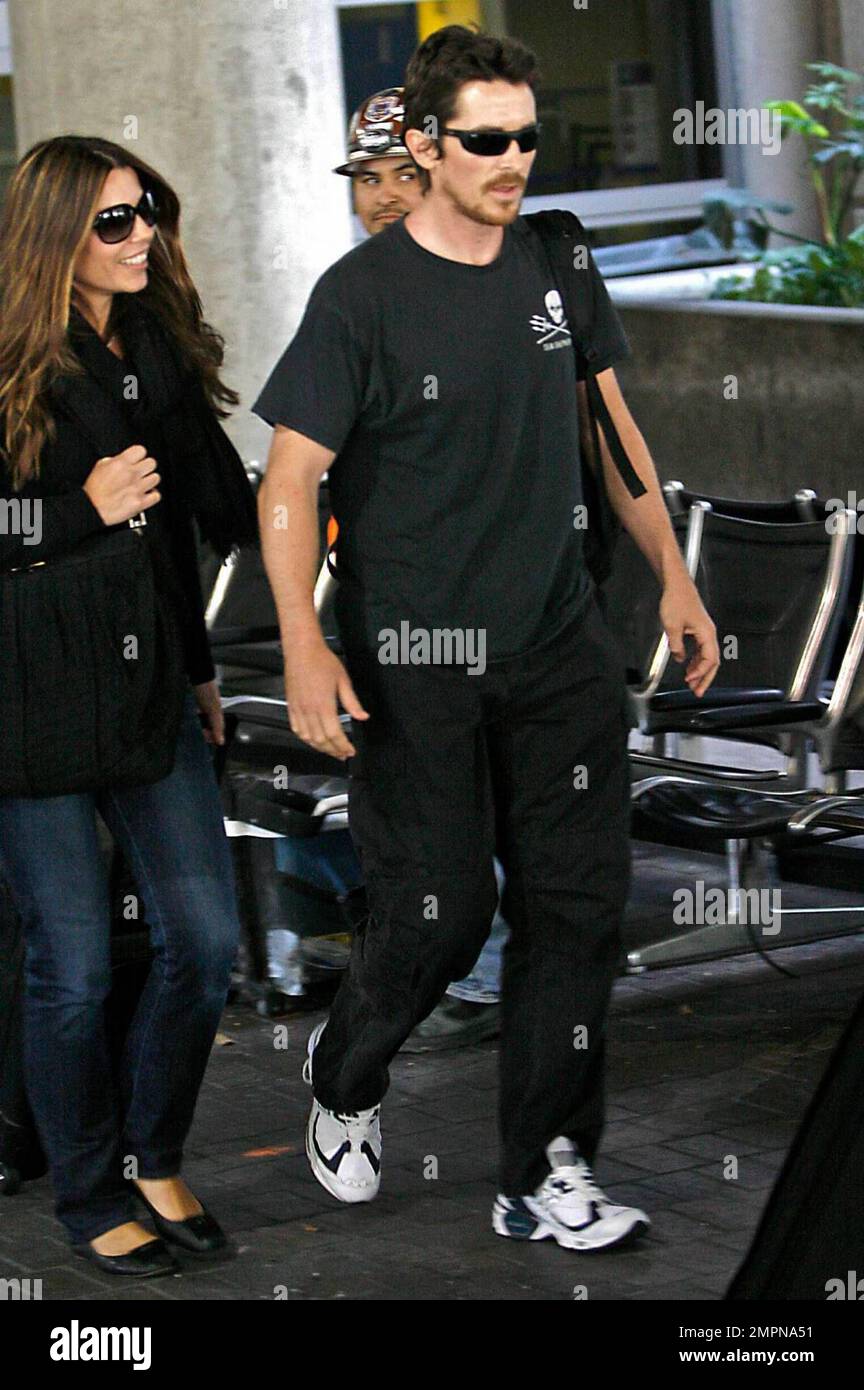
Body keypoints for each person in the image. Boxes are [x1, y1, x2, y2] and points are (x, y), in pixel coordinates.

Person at [255, 25, 719, 1253]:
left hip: (560, 640)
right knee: (441, 914)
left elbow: (609, 430)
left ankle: (545, 1167)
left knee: (579, 910)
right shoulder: (358, 298)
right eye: (486, 140)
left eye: (526, 136)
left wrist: (673, 576)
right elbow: (289, 478)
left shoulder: (558, 263)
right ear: (424, 145)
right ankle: (347, 1071)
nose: (515, 159)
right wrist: (304, 641)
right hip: (417, 657)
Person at [0, 135, 257, 1277]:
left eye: (146, 209)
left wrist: (202, 674)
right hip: (30, 709)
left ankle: (155, 1150)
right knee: (75, 966)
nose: (142, 231)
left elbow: (189, 536)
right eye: (113, 219)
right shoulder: (9, 357)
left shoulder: (148, 344)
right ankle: (88, 1190)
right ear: (56, 233)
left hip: (151, 686)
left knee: (204, 943)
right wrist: (76, 513)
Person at [333, 85, 506, 1052]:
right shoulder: (356, 294)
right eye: (368, 178)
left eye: (404, 172)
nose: (385, 196)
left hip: (499, 597)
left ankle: (491, 971)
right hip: (401, 604)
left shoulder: (495, 280)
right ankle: (471, 967)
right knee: (432, 801)